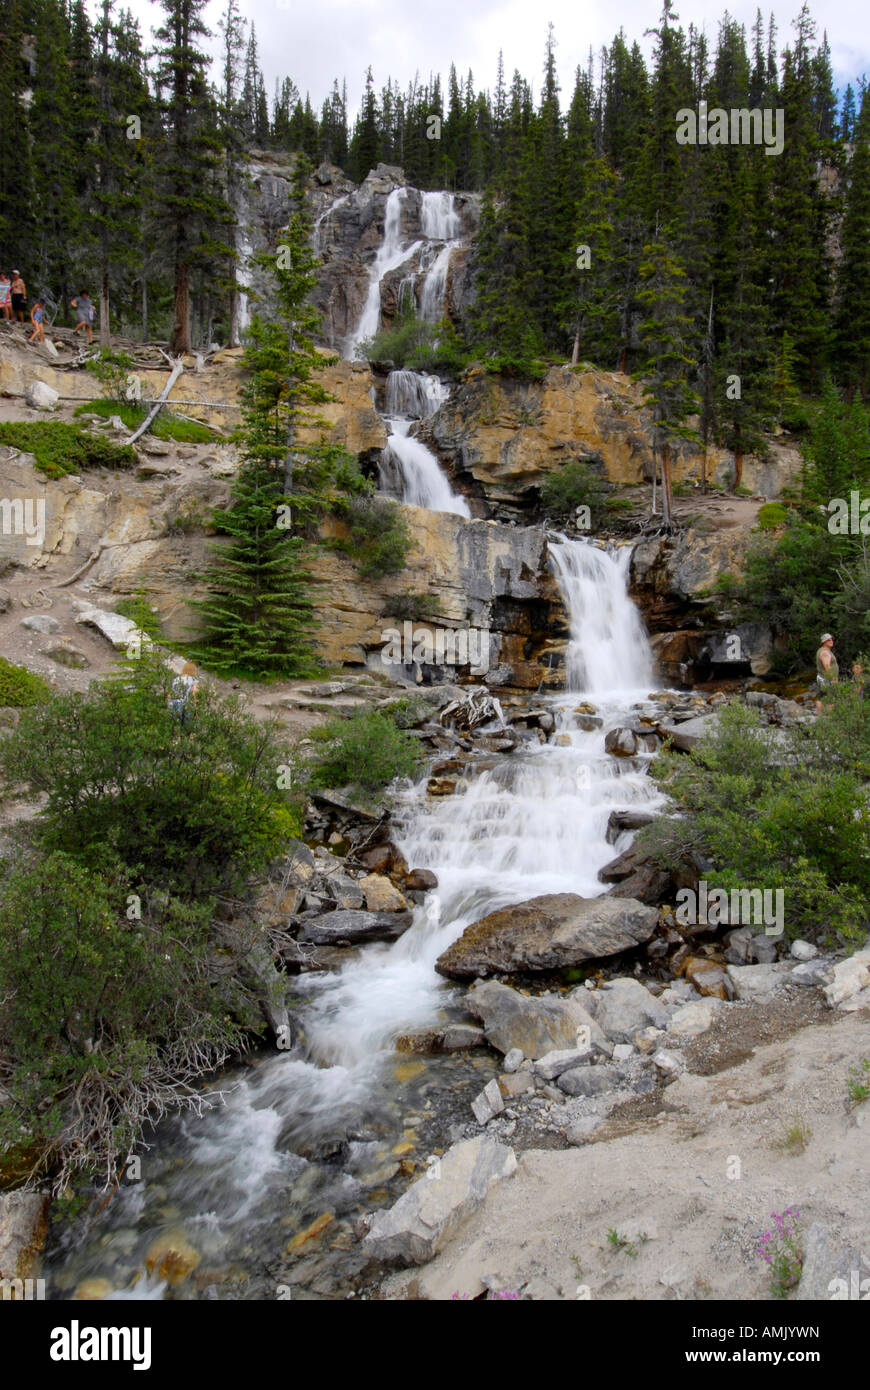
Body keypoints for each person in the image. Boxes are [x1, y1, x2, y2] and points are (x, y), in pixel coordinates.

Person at [168, 661, 200, 726]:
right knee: (191, 726)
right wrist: (196, 711)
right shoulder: (193, 681)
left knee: (175, 727)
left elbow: (170, 694)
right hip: (186, 705)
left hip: (174, 704)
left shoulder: (176, 679)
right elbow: (194, 695)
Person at [815, 632, 839, 714]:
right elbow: (827, 666)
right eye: (828, 640)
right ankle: (830, 719)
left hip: (821, 678)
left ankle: (820, 719)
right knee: (830, 699)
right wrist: (834, 679)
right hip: (827, 680)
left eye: (831, 639)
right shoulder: (825, 652)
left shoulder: (821, 650)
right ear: (824, 642)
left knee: (821, 698)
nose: (831, 641)